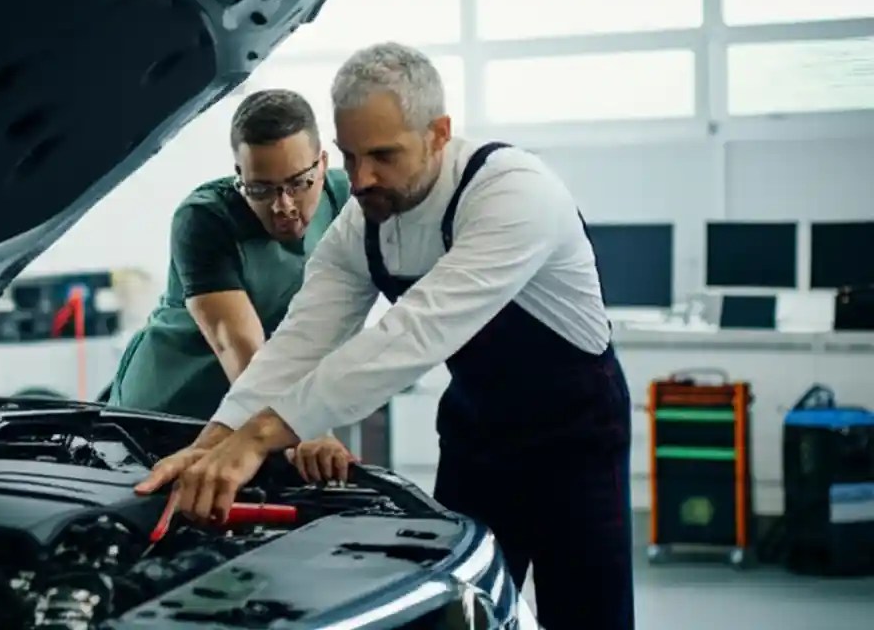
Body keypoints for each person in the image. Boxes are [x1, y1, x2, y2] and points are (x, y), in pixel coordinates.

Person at [134, 43, 635, 630]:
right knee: (459, 607)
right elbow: (302, 339)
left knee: (586, 614)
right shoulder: (362, 222)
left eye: (383, 155)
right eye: (350, 155)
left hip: (574, 436)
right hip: (477, 431)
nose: (363, 178)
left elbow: (411, 334)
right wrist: (218, 436)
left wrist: (260, 437)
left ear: (439, 133)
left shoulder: (515, 193)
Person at [107, 89, 357, 481]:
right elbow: (240, 348)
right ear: (239, 176)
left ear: (322, 164)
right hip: (167, 413)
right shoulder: (205, 219)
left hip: (269, 411)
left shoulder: (346, 200)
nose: (283, 206)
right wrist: (308, 429)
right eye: (261, 189)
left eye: (298, 183)